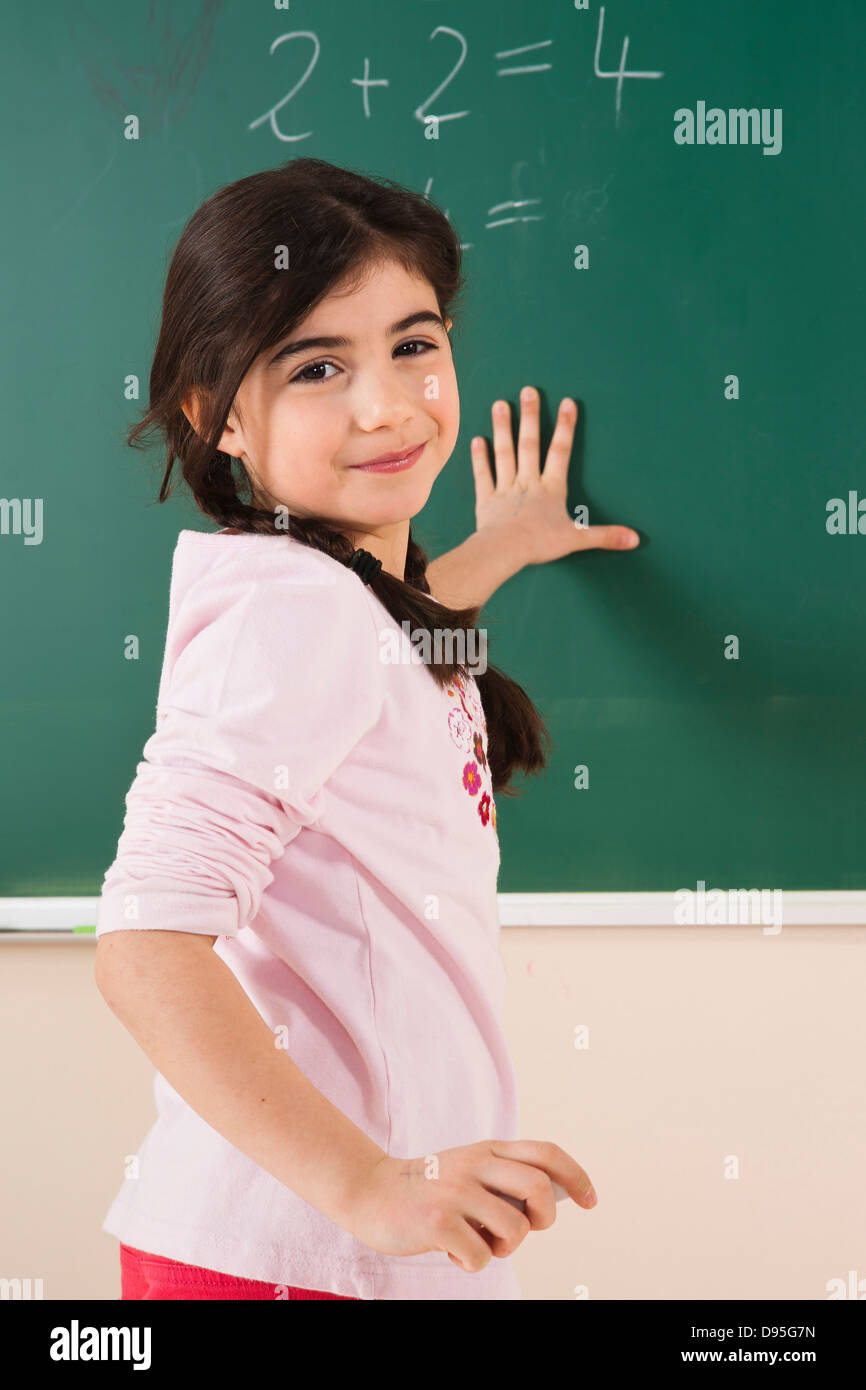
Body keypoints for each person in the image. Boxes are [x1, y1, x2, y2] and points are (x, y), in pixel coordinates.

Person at [95, 157, 637, 1301]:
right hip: (302, 1260)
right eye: (317, 366)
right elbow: (146, 943)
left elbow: (404, 642)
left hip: (310, 1246)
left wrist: (507, 544)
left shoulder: (338, 595)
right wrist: (371, 1189)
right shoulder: (294, 615)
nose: (386, 403)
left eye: (413, 344)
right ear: (218, 416)